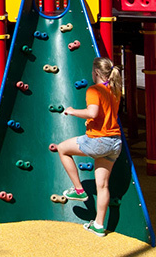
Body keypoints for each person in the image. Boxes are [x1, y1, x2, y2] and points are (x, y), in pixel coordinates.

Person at [54, 57, 124, 237]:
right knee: (102, 186)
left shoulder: (94, 90)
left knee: (62, 149)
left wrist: (72, 111)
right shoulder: (115, 89)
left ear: (96, 73)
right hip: (115, 142)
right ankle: (99, 226)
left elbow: (92, 112)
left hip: (98, 140)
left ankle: (78, 190)